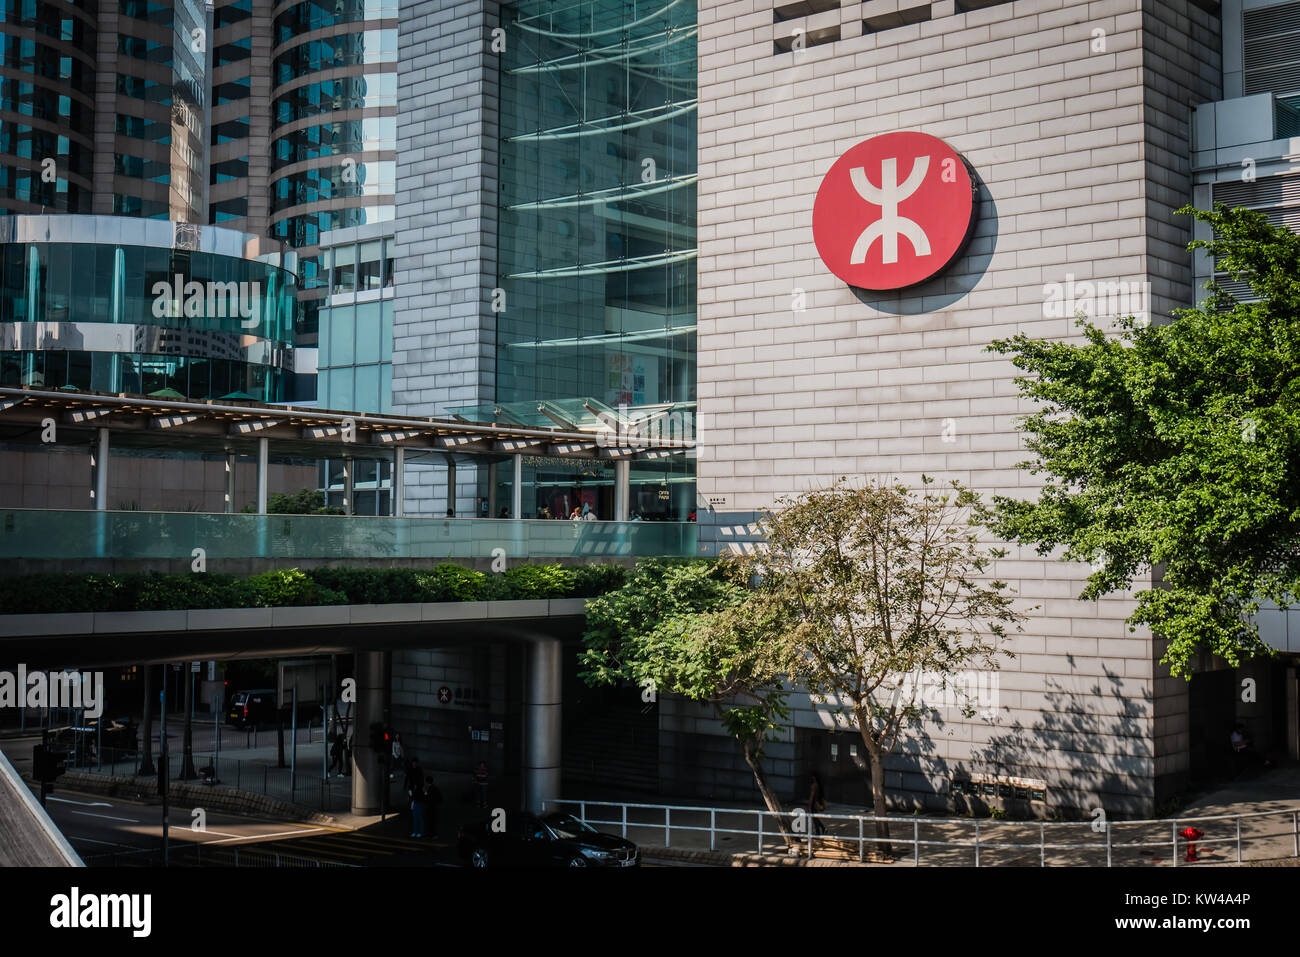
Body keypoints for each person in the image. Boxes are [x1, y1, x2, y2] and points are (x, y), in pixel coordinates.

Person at [424, 774, 442, 839]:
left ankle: (431, 834)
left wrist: (425, 794)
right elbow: (440, 798)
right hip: (434, 807)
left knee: (430, 821)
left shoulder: (429, 789)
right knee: (433, 821)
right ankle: (432, 834)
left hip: (430, 807)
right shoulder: (435, 788)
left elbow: (427, 797)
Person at [409, 774, 426, 839]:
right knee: (417, 818)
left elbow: (423, 795)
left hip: (418, 803)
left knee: (418, 818)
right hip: (416, 803)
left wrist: (411, 794)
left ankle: (419, 832)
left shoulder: (419, 789)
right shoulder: (417, 788)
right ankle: (417, 832)